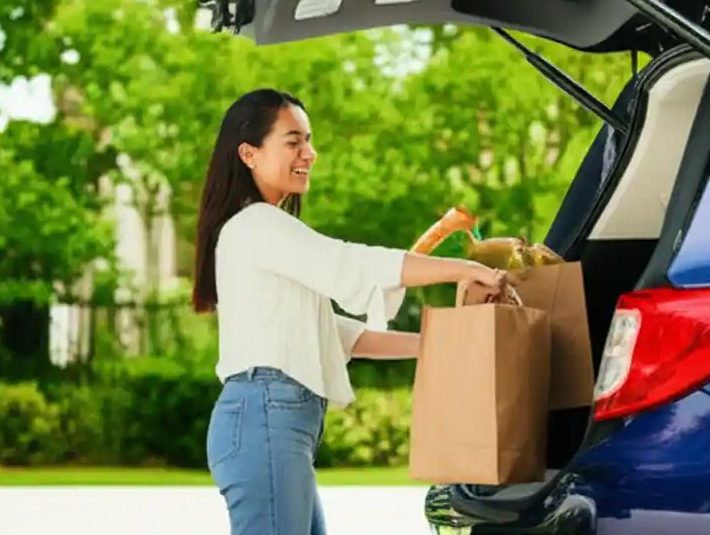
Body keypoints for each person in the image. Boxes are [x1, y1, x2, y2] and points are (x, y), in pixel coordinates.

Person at [192, 88, 506, 535]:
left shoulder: (262, 230)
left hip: (272, 423)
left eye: (309, 139)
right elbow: (349, 263)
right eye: (293, 141)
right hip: (265, 420)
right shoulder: (257, 225)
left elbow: (337, 333)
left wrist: (441, 344)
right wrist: (461, 268)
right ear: (249, 153)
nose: (310, 153)